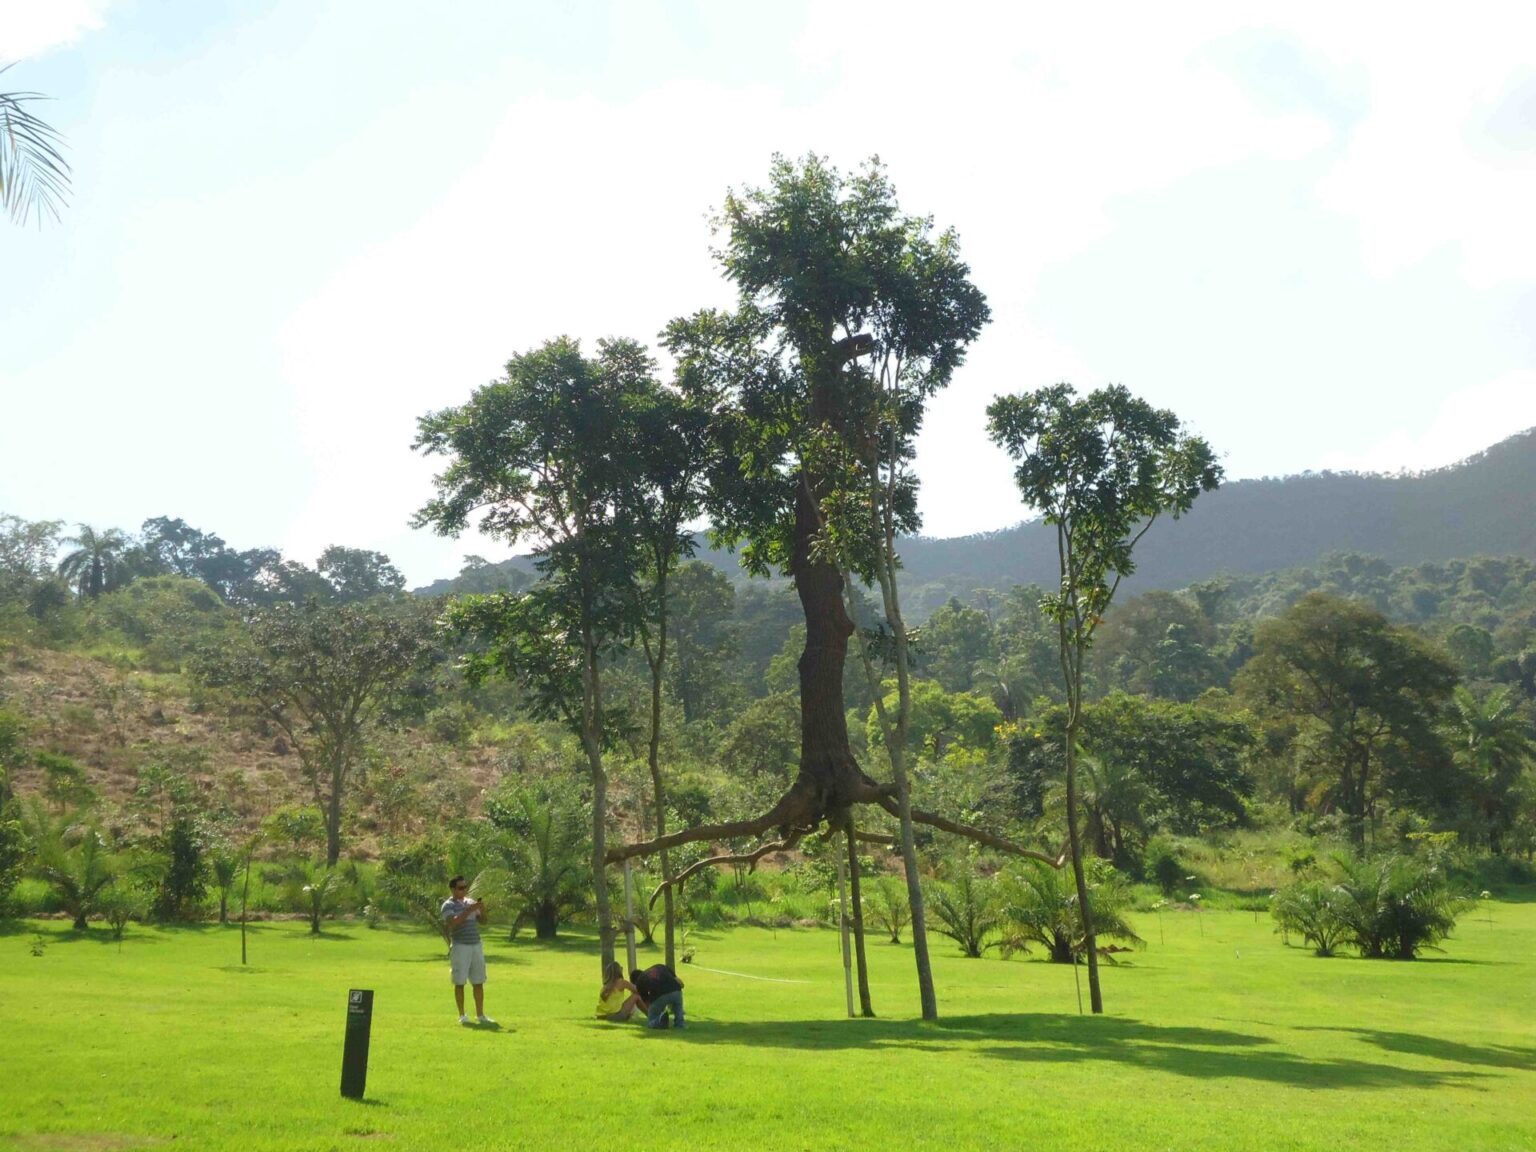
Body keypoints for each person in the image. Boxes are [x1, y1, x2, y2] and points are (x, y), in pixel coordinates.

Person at [441, 876, 495, 1026]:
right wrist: (468, 911)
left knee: (478, 981)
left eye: (465, 887)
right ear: (452, 889)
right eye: (460, 888)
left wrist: (482, 910)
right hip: (460, 946)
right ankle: (462, 1015)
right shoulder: (448, 905)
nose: (463, 890)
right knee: (460, 981)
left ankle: (480, 1015)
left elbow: (483, 922)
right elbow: (453, 922)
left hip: (475, 945)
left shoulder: (471, 902)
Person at [629, 963, 685, 1030]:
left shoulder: (640, 982)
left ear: (634, 982)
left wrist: (651, 1013)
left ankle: (659, 1020)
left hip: (659, 994)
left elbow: (647, 1002)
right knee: (678, 1007)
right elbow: (679, 981)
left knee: (651, 1021)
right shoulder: (659, 966)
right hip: (676, 990)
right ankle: (680, 1024)